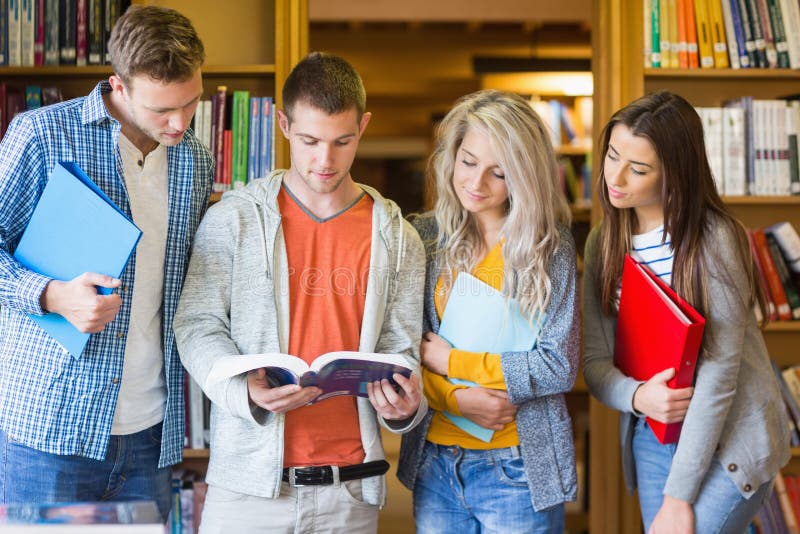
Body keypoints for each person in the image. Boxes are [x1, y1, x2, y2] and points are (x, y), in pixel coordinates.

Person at [173, 52, 427, 534]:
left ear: (363, 126)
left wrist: (405, 407)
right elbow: (196, 324)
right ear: (284, 123)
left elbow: (402, 349)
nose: (324, 161)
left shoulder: (397, 236)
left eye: (342, 141)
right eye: (309, 141)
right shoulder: (233, 218)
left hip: (350, 492)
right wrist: (239, 390)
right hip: (246, 490)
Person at [0, 5, 211, 522]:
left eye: (191, 102)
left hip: (151, 434)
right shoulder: (43, 136)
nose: (179, 123)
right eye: (163, 109)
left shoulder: (195, 160)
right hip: (50, 428)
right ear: (118, 84)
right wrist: (52, 295)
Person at [583, 91, 791, 534]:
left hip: (730, 440)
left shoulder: (715, 239)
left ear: (674, 175)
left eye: (637, 169)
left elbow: (718, 377)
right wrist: (639, 397)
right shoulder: (603, 242)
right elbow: (596, 365)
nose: (614, 178)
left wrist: (678, 498)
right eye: (612, 156)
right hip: (653, 433)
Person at [396, 89, 580, 533]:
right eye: (468, 162)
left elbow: (558, 367)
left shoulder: (548, 250)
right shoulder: (424, 238)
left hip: (518, 465)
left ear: (524, 176)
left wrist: (452, 362)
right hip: (437, 462)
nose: (476, 184)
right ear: (451, 156)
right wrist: (455, 397)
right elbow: (402, 351)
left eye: (498, 173)